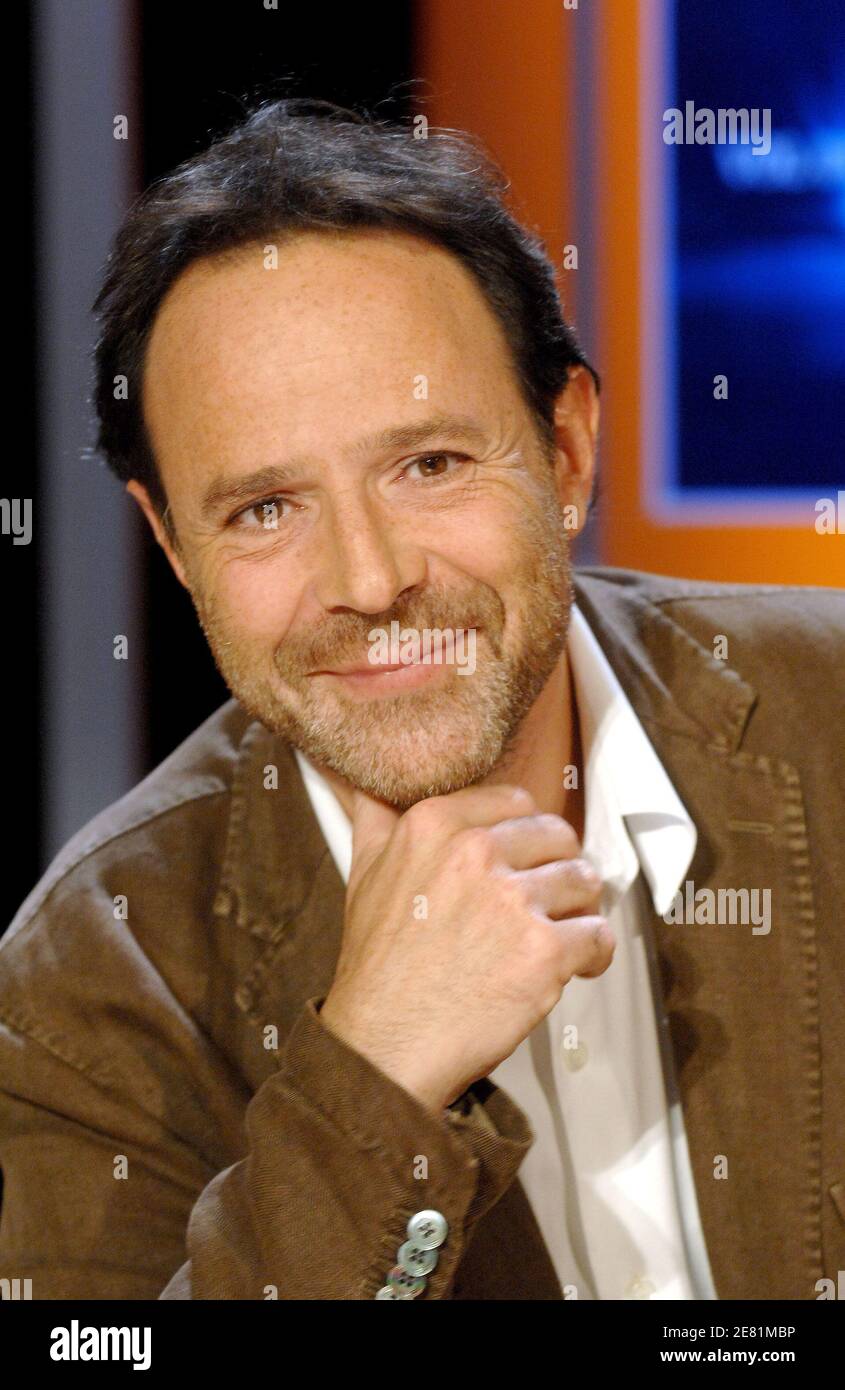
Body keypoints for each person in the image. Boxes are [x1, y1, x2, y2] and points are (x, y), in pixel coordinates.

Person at [0, 98, 842, 1302]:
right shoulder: (94, 977)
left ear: (563, 450)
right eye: (264, 509)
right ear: (173, 547)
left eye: (429, 465)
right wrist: (372, 1079)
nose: (368, 579)